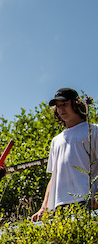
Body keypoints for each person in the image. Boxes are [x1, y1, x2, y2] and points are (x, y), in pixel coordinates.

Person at [31, 87, 98, 221]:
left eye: (65, 104)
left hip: (86, 199)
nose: (61, 109)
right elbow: (54, 176)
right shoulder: (56, 140)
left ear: (76, 104)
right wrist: (44, 207)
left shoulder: (94, 130)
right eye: (58, 106)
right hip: (60, 204)